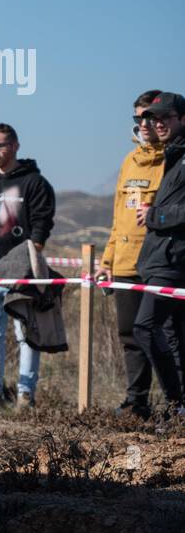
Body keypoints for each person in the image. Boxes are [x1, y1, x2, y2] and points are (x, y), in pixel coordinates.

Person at [97, 92, 180, 418]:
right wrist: (108, 259)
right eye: (139, 118)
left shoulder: (172, 157)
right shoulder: (130, 160)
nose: (145, 124)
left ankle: (174, 405)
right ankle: (137, 401)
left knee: (165, 334)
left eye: (151, 117)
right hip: (128, 259)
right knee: (131, 334)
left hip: (162, 259)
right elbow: (119, 216)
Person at [0, 124, 56, 408]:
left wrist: (29, 258)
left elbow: (42, 226)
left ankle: (25, 394)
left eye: (0, 145)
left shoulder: (34, 183)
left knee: (25, 333)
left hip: (21, 272)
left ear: (15, 146)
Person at [132, 91, 185, 416]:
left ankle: (176, 404)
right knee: (174, 335)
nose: (158, 123)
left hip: (173, 260)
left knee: (145, 327)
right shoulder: (174, 155)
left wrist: (155, 216)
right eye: (153, 118)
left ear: (182, 119)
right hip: (162, 259)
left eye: (166, 117)